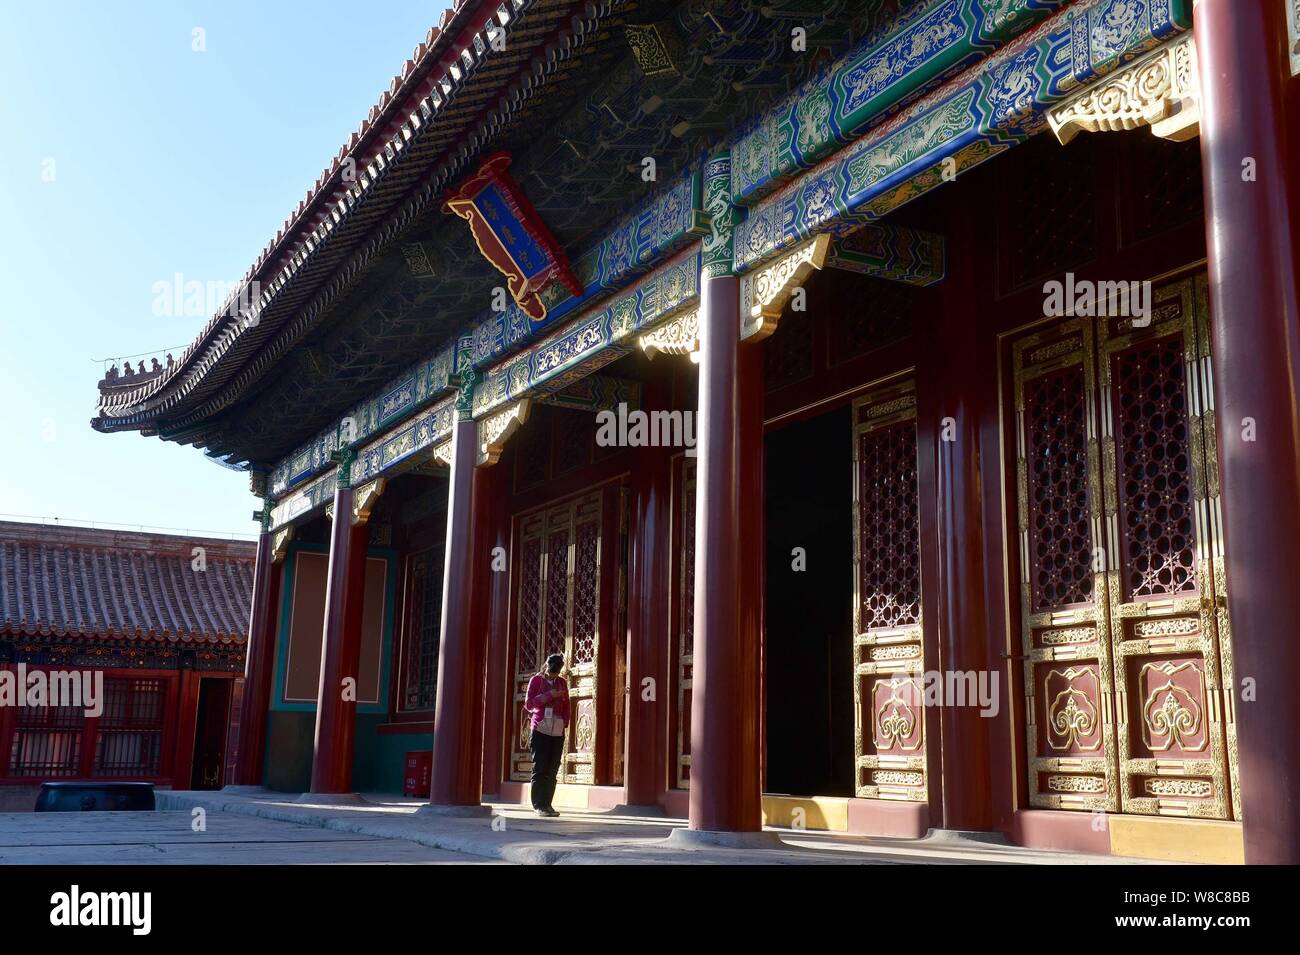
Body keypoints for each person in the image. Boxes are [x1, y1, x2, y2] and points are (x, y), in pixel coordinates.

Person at [525, 653, 569, 817]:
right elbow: (529, 704)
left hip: (557, 730)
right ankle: (538, 804)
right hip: (540, 729)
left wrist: (565, 722)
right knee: (540, 767)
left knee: (553, 769)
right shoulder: (536, 680)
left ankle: (548, 804)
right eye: (552, 673)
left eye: (557, 673)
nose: (554, 676)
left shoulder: (562, 683)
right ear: (547, 667)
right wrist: (550, 695)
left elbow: (567, 705)